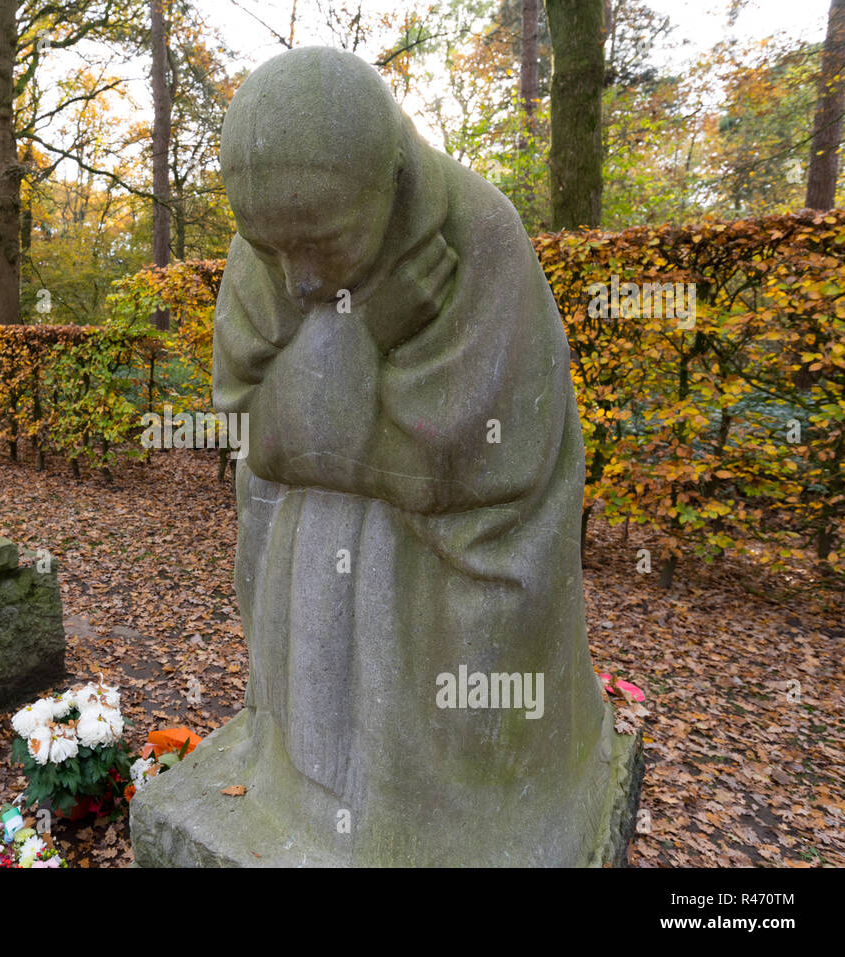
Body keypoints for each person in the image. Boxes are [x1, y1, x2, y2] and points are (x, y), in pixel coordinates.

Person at [210, 47, 619, 865]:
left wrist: (335, 390)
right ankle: (306, 781)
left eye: (321, 243)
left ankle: (413, 817)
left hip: (472, 552)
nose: (293, 281)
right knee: (287, 525)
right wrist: (367, 344)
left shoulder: (483, 235)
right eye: (267, 247)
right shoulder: (266, 255)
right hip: (326, 532)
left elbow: (469, 468)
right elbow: (250, 428)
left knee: (400, 580)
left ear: (392, 178)